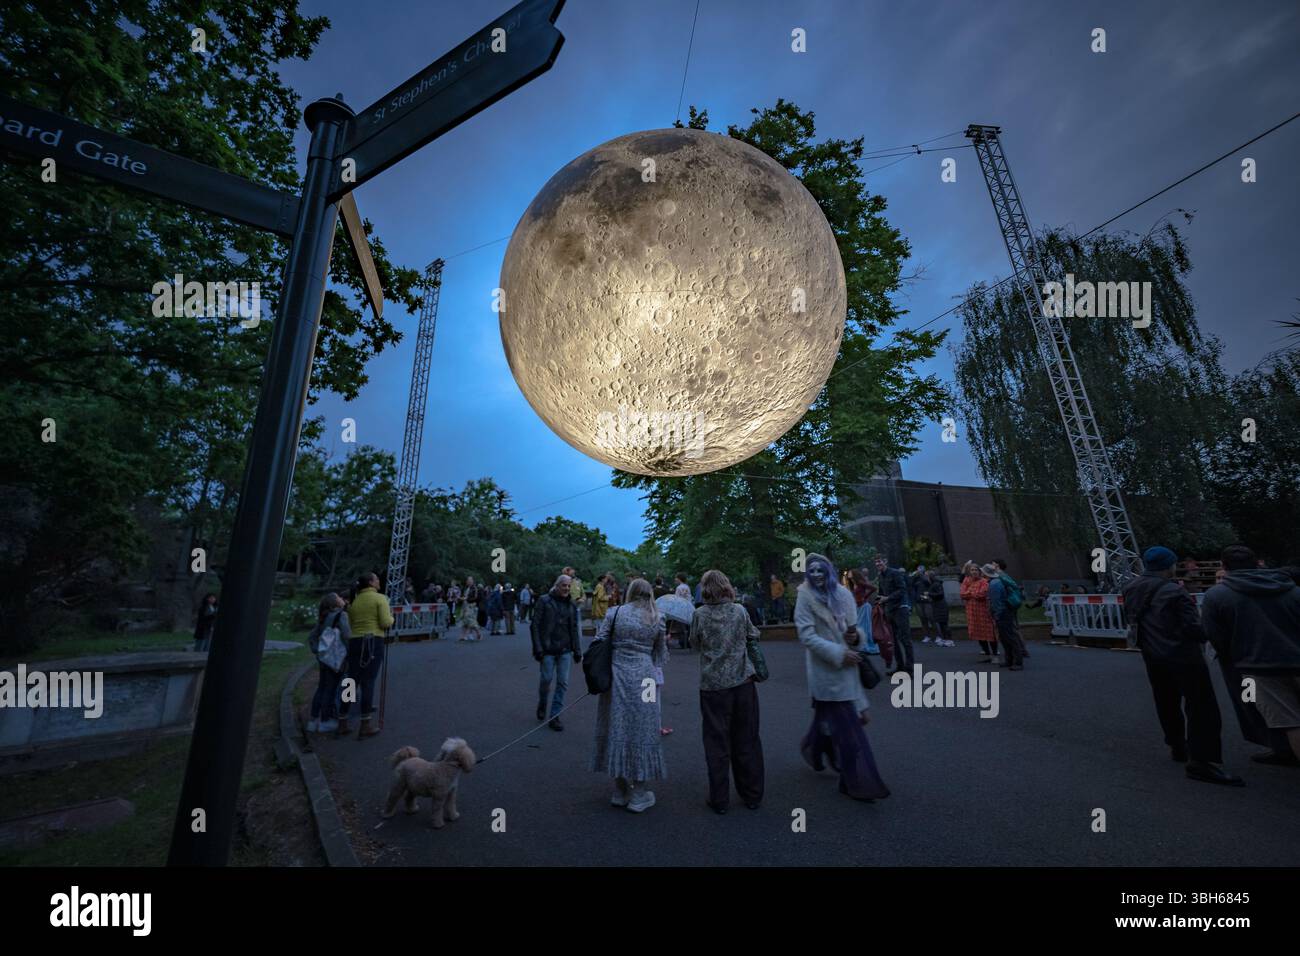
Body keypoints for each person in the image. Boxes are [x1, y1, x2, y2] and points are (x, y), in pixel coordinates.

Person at [1122, 546, 1243, 786]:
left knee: (1166, 700)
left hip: (1152, 655)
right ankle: (1202, 761)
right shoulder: (1174, 592)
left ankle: (1177, 745)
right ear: (1170, 565)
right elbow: (1193, 627)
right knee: (1201, 707)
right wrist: (1211, 635)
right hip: (1182, 655)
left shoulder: (1130, 588)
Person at [796, 553, 890, 801]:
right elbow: (806, 635)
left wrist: (855, 638)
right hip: (825, 671)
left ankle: (815, 746)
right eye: (811, 571)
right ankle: (857, 781)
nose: (816, 575)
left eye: (821, 570)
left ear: (829, 570)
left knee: (840, 720)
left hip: (848, 668)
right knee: (851, 728)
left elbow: (855, 628)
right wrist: (838, 653)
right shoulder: (804, 596)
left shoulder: (843, 594)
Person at [1201, 545, 1300, 765]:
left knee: (1287, 719)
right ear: (1257, 563)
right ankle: (1281, 749)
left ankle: (1285, 750)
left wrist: (1232, 656)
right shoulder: (1291, 590)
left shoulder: (1218, 595)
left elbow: (1214, 635)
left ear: (1224, 566)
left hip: (1257, 667)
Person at [689, 569, 765, 813]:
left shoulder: (699, 614)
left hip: (712, 686)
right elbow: (754, 635)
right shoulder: (739, 611)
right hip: (742, 682)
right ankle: (752, 795)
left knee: (716, 743)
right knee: (747, 740)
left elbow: (694, 644)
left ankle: (720, 800)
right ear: (726, 586)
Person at [591, 577, 667, 812]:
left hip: (617, 675)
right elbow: (660, 654)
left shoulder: (615, 613)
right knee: (643, 728)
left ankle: (620, 789)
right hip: (644, 676)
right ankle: (639, 793)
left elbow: (599, 640)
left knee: (617, 725)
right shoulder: (657, 617)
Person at [340, 572, 394, 739]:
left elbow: (351, 624)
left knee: (351, 681)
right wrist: (392, 618)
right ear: (371, 582)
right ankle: (365, 725)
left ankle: (342, 720)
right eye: (377, 579)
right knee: (368, 682)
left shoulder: (355, 602)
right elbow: (385, 623)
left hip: (355, 642)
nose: (379, 581)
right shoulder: (380, 599)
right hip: (372, 641)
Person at [532, 574, 582, 730]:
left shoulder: (571, 605)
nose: (566, 588)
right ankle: (542, 702)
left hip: (565, 650)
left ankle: (555, 716)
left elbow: (574, 629)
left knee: (563, 683)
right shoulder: (544, 601)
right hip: (547, 649)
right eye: (564, 585)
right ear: (557, 585)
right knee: (546, 680)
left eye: (569, 586)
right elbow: (535, 626)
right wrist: (538, 648)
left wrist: (577, 650)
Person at [306, 592, 349, 733]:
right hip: (335, 658)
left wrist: (318, 651)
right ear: (334, 603)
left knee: (322, 687)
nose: (341, 599)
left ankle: (313, 720)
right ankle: (326, 720)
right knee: (331, 689)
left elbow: (312, 636)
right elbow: (347, 635)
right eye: (338, 598)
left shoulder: (323, 618)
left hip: (324, 658)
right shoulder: (340, 615)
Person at [874, 556, 913, 675]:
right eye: (876, 562)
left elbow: (902, 590)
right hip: (889, 611)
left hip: (900, 609)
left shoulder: (895, 573)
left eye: (879, 561)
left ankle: (910, 669)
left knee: (905, 639)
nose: (877, 563)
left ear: (885, 561)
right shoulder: (880, 576)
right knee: (893, 640)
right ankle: (900, 667)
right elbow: (881, 593)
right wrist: (878, 600)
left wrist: (888, 598)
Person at [985, 563, 1025, 670]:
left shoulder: (994, 584)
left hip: (1003, 613)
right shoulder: (998, 581)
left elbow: (996, 602)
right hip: (1006, 611)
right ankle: (1010, 660)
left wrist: (996, 615)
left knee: (1009, 637)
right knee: (1005, 637)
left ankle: (1018, 662)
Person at [960, 561, 997, 662]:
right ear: (969, 571)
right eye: (972, 570)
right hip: (972, 612)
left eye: (976, 570)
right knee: (978, 634)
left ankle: (995, 655)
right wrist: (972, 592)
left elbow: (982, 594)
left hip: (984, 612)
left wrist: (970, 592)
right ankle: (987, 655)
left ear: (979, 571)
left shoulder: (984, 581)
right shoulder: (966, 580)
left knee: (990, 633)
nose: (974, 572)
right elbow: (962, 594)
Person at [993, 558, 1028, 658]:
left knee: (1013, 628)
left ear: (997, 566)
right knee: (1014, 627)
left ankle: (1021, 650)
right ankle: (1021, 649)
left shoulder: (1001, 575)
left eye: (993, 564)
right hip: (1011, 603)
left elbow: (1013, 586)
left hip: (1009, 603)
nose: (991, 566)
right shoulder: (1003, 575)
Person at [847, 568, 879, 655]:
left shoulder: (860, 582)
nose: (848, 574)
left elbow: (873, 588)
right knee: (859, 625)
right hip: (858, 607)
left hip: (864, 606)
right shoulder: (853, 583)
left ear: (854, 574)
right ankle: (861, 645)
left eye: (850, 572)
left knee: (864, 626)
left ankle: (866, 645)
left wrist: (865, 597)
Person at [923, 569, 954, 646]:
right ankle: (944, 639)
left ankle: (949, 640)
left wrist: (929, 594)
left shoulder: (936, 584)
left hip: (941, 606)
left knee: (944, 624)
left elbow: (940, 594)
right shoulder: (934, 584)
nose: (925, 578)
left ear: (930, 577)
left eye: (926, 576)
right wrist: (927, 596)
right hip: (937, 606)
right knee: (941, 624)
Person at [563, 565, 585, 634]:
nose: (573, 573)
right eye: (571, 571)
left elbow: (583, 593)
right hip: (566, 606)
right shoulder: (563, 581)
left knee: (577, 624)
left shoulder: (578, 581)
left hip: (577, 606)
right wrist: (574, 600)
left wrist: (582, 599)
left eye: (573, 571)